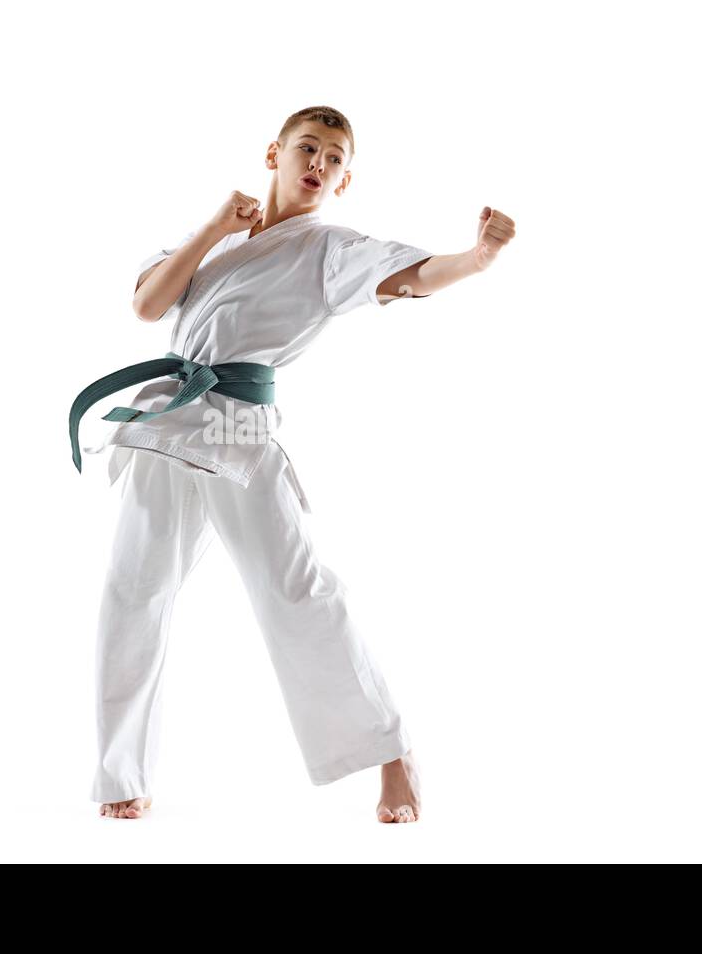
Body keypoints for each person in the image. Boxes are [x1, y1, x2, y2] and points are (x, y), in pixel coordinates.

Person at [69, 105, 517, 822]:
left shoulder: (329, 249)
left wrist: (476, 259)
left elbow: (411, 276)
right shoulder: (215, 237)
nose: (319, 164)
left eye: (335, 159)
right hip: (163, 425)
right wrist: (216, 228)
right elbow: (149, 305)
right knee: (134, 591)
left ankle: (392, 752)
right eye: (308, 148)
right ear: (274, 153)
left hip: (240, 430)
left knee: (299, 591)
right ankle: (122, 771)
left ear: (344, 178)